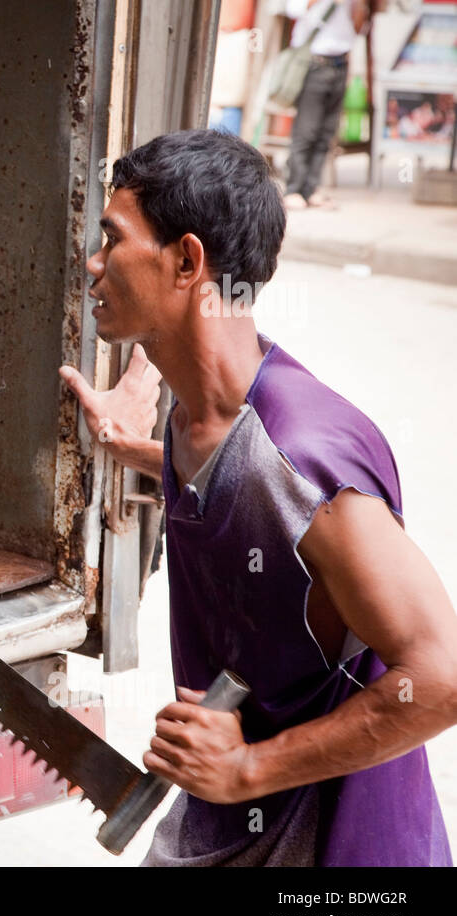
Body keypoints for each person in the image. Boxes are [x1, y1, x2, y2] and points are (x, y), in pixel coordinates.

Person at [58, 128, 455, 866]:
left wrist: (247, 769)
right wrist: (133, 451)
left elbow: (439, 678)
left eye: (112, 237)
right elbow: (239, 486)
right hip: (232, 831)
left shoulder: (307, 459)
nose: (94, 261)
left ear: (186, 261)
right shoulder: (199, 416)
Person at [282, 0, 372, 209]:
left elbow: (358, 27)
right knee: (306, 130)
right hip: (315, 63)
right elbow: (292, 9)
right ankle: (293, 188)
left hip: (341, 62)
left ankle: (311, 188)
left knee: (326, 133)